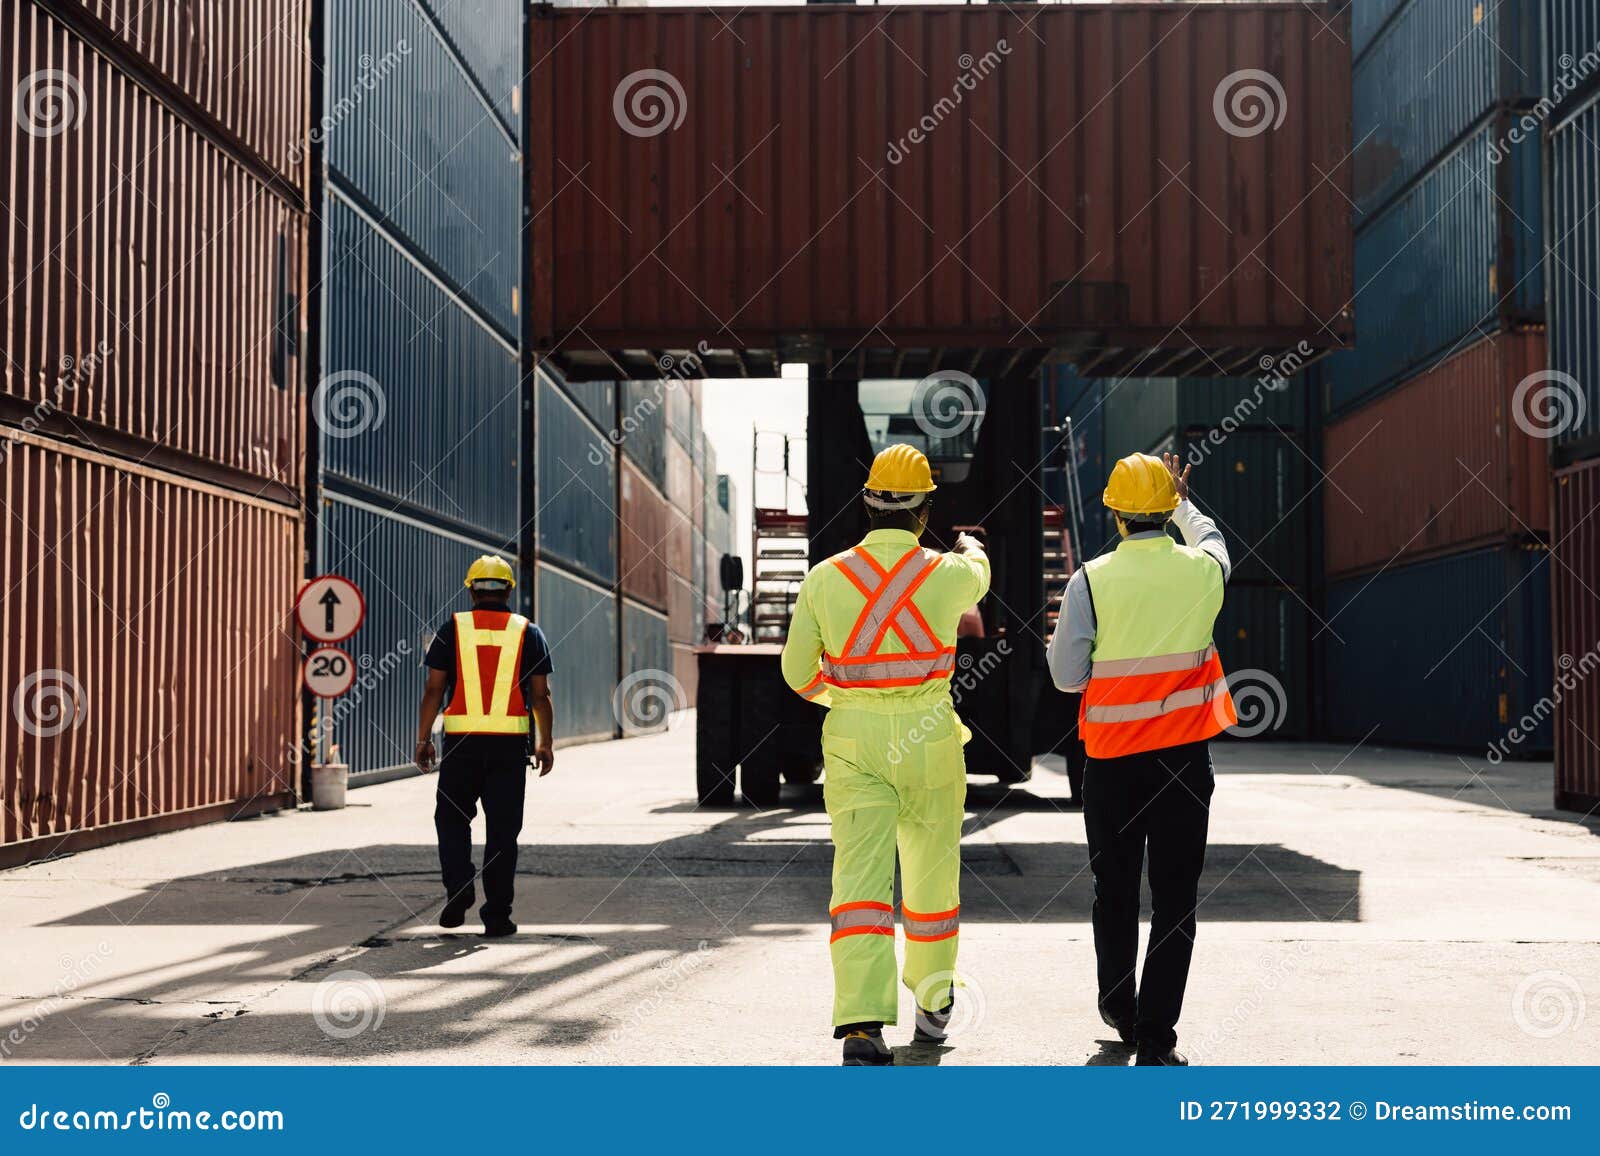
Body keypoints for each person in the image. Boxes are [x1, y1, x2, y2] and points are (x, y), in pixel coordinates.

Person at [780, 443, 990, 1066]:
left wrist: (848, 700)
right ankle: (933, 1003)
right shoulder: (949, 574)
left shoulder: (824, 578)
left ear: (867, 505)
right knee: (931, 879)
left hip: (853, 742)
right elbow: (979, 572)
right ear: (925, 509)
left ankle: (862, 1027)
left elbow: (796, 673)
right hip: (929, 739)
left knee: (861, 885)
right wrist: (972, 545)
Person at [1046, 452, 1236, 1066]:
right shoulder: (1204, 572)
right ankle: (1157, 1038)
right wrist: (1184, 502)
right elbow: (1212, 539)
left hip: (1112, 766)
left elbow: (1066, 677)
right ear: (1164, 511)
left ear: (1117, 516)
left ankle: (1119, 1008)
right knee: (1175, 897)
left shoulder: (1091, 580)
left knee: (1115, 888)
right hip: (1182, 763)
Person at [415, 555, 556, 938]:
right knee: (502, 832)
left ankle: (459, 888)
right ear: (509, 590)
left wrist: (424, 738)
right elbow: (540, 697)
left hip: (462, 746)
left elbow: (434, 689)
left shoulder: (453, 629)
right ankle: (496, 916)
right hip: (509, 751)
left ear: (471, 589)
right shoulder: (529, 632)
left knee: (451, 820)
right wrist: (545, 743)